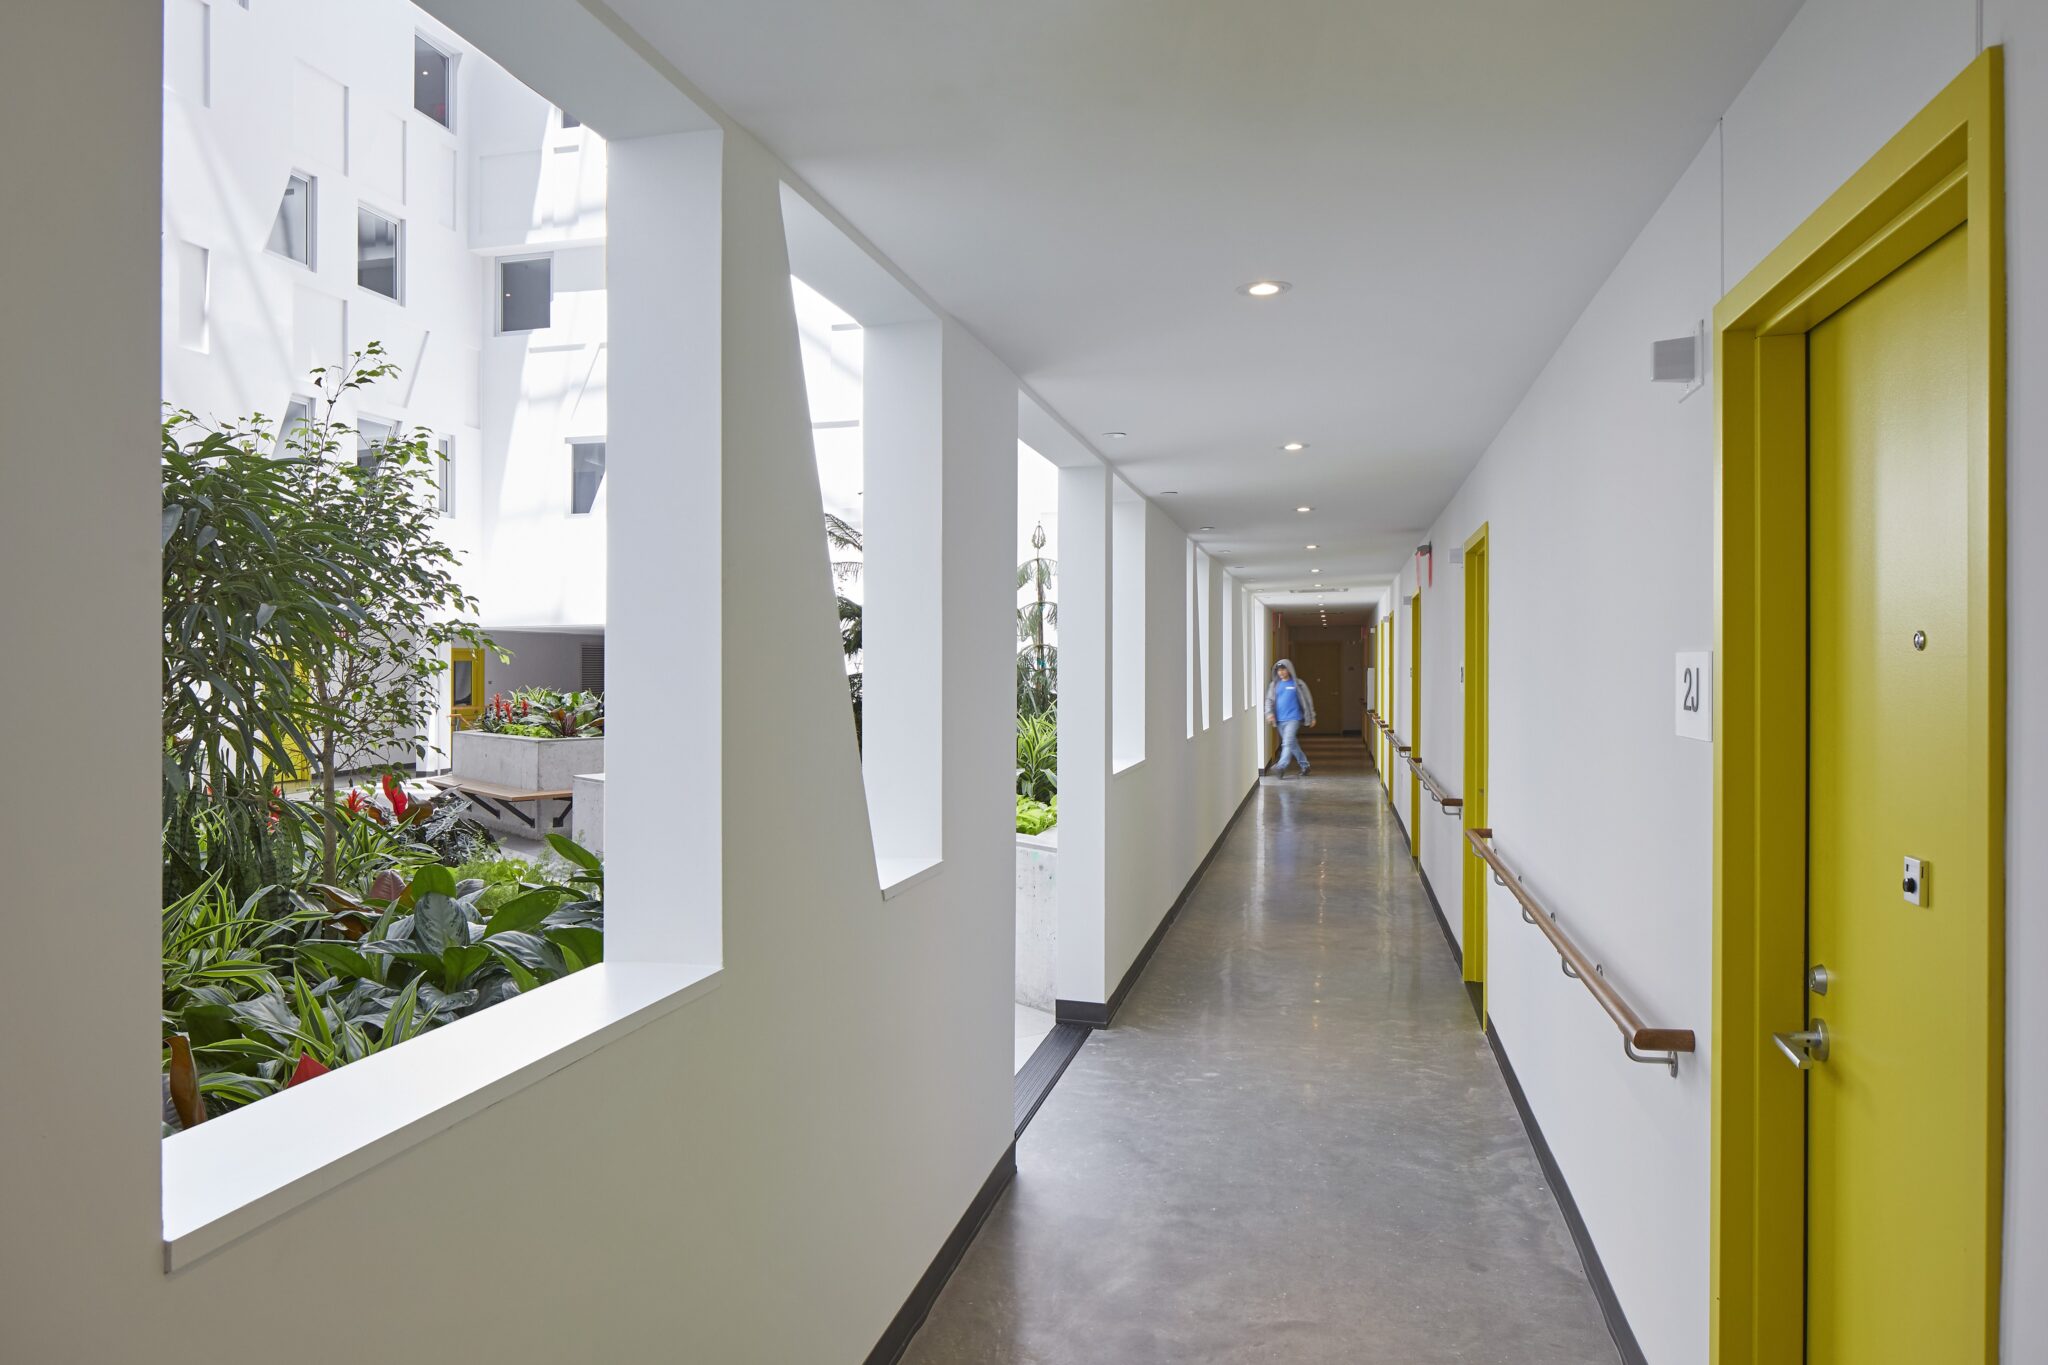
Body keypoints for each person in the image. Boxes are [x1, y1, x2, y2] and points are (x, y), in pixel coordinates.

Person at [1264, 658, 1316, 777]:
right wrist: (1269, 713)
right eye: (1278, 670)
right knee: (1292, 744)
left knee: (1287, 743)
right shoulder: (1274, 685)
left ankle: (1281, 766)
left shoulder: (1298, 684)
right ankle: (1305, 766)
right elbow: (1269, 701)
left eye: (1283, 669)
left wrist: (1312, 716)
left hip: (1294, 718)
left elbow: (1308, 700)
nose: (1281, 672)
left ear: (1289, 669)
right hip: (1280, 720)